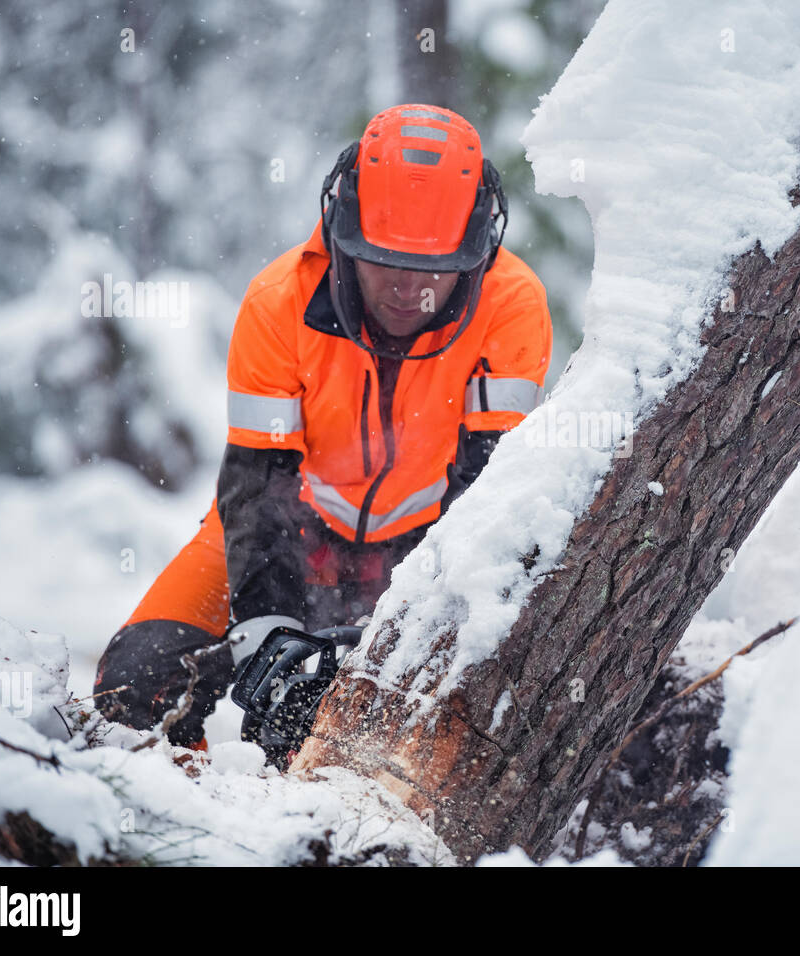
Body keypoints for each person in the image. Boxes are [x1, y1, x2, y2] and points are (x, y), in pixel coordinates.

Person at [93, 104, 552, 749]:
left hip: (425, 543)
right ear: (342, 236)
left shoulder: (513, 308)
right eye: (382, 261)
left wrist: (423, 626)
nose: (405, 289)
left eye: (431, 272)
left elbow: (487, 494)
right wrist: (271, 649)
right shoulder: (276, 303)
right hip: (281, 523)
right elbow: (257, 487)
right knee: (131, 690)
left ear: (474, 256)